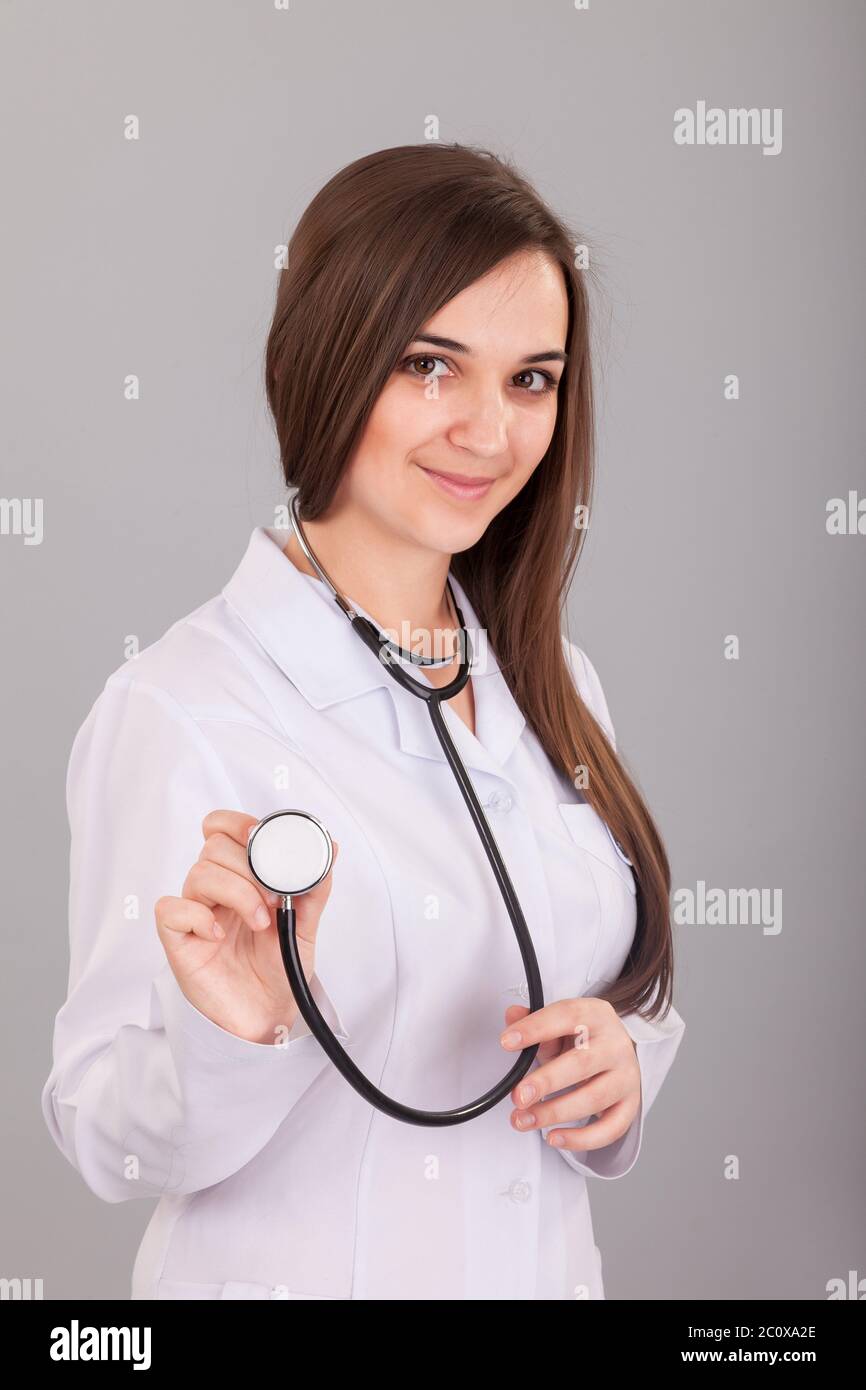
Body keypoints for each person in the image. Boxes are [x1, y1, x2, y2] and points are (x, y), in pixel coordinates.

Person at [41, 142, 685, 1301]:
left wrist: (621, 1067)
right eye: (432, 366)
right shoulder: (182, 707)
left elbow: (622, 985)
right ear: (325, 362)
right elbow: (103, 1133)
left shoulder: (559, 684)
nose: (490, 433)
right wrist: (236, 1034)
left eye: (531, 378)